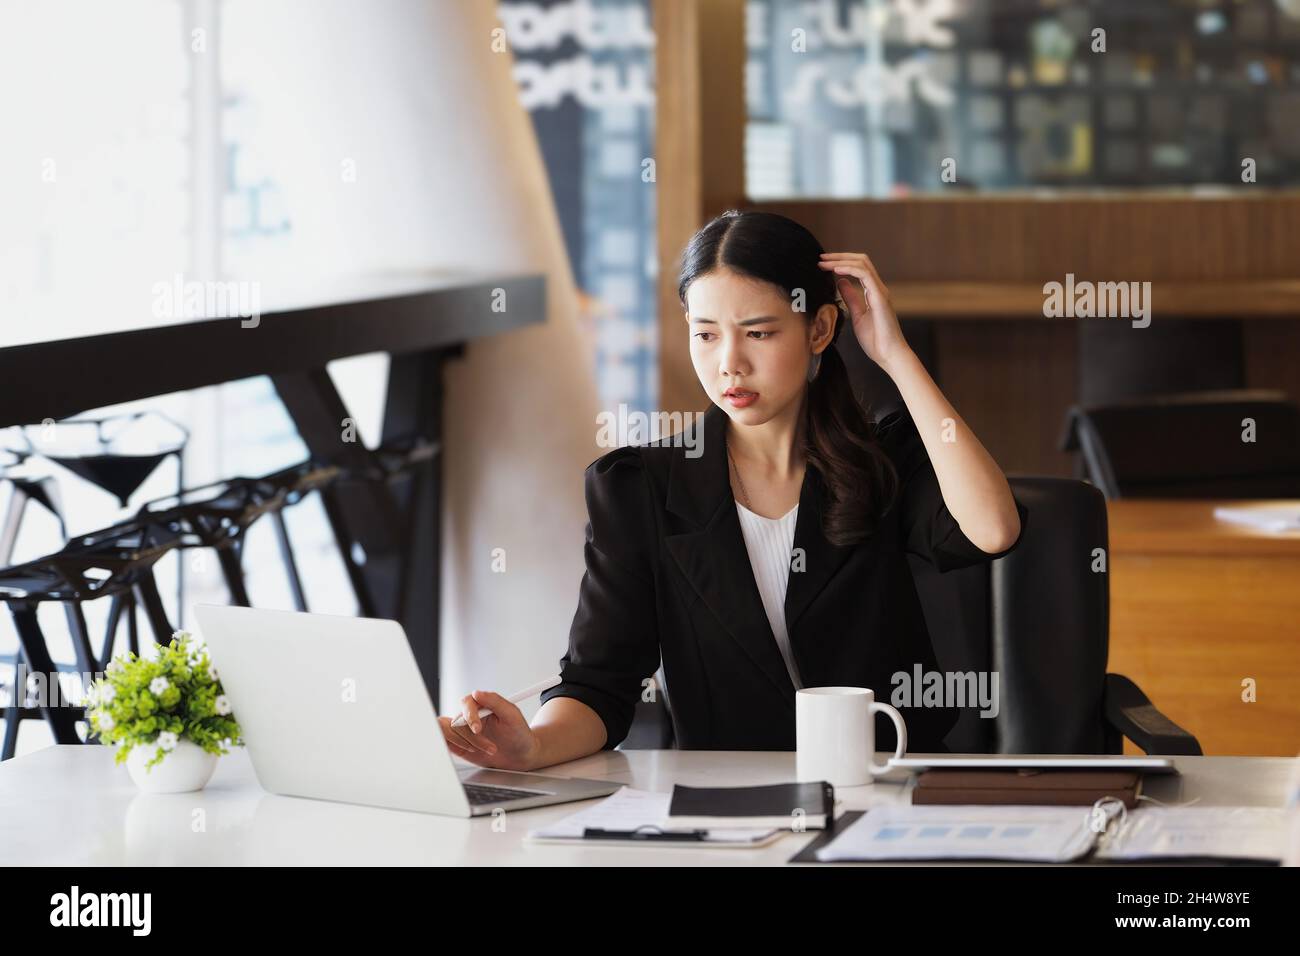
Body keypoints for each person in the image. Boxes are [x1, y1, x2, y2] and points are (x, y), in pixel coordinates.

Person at [438, 210, 1027, 770]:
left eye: (760, 333)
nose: (730, 364)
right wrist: (532, 747)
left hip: (886, 793)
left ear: (819, 328)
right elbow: (599, 685)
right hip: (733, 808)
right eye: (706, 335)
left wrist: (893, 355)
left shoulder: (881, 460)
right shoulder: (639, 489)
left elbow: (993, 529)